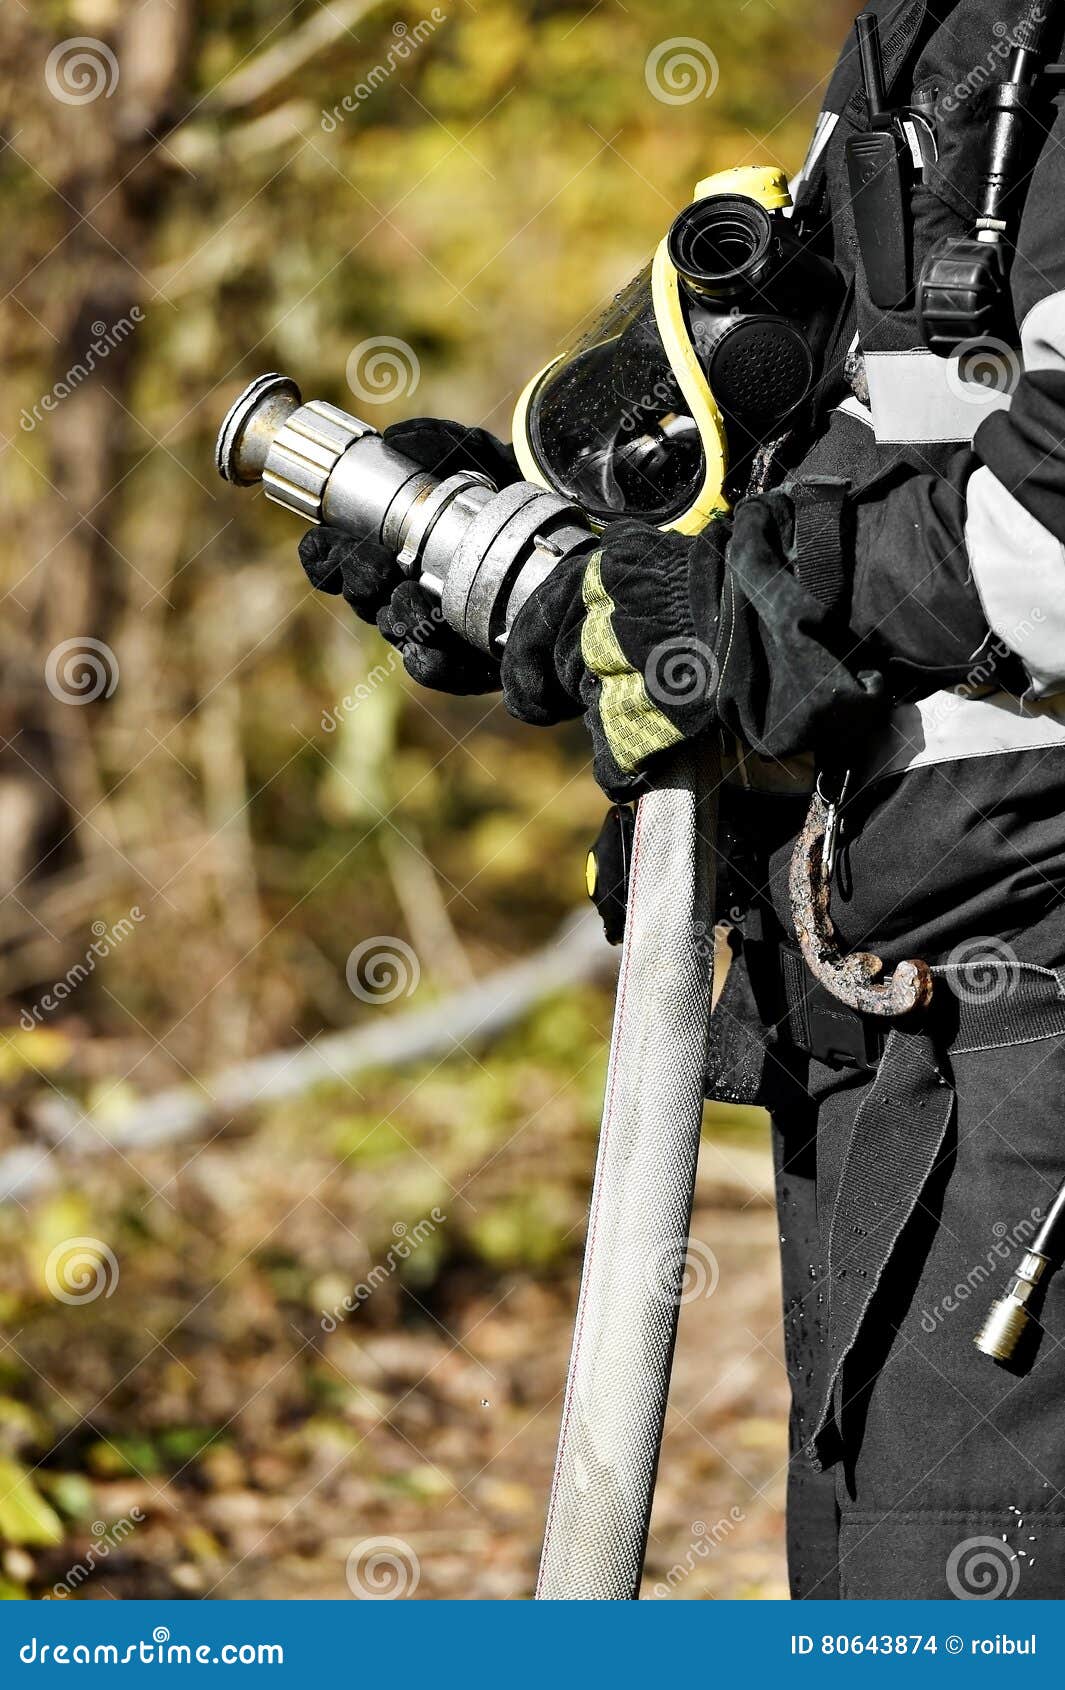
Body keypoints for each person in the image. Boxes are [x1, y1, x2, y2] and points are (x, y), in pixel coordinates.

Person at [300, 0, 1065, 1600]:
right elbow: (851, 447)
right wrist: (551, 559)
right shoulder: (937, 39)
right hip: (897, 1019)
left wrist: (774, 601)